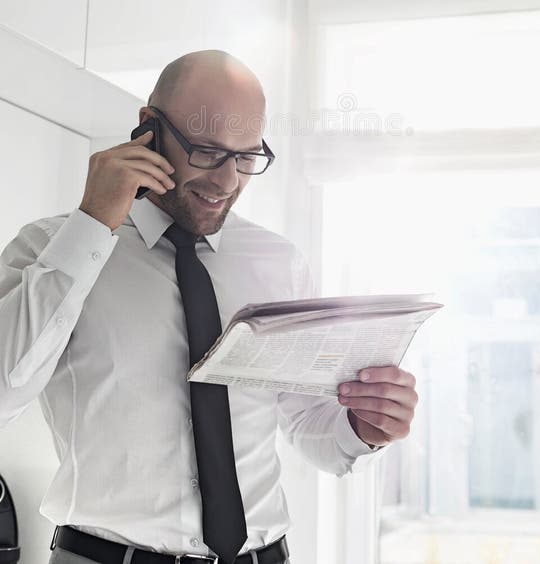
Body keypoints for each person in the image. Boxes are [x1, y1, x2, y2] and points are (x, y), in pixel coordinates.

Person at [0, 50, 419, 564]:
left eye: (246, 158)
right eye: (206, 151)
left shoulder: (277, 263)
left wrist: (363, 427)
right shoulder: (51, 249)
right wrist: (92, 224)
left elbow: (307, 423)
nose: (226, 183)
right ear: (148, 129)